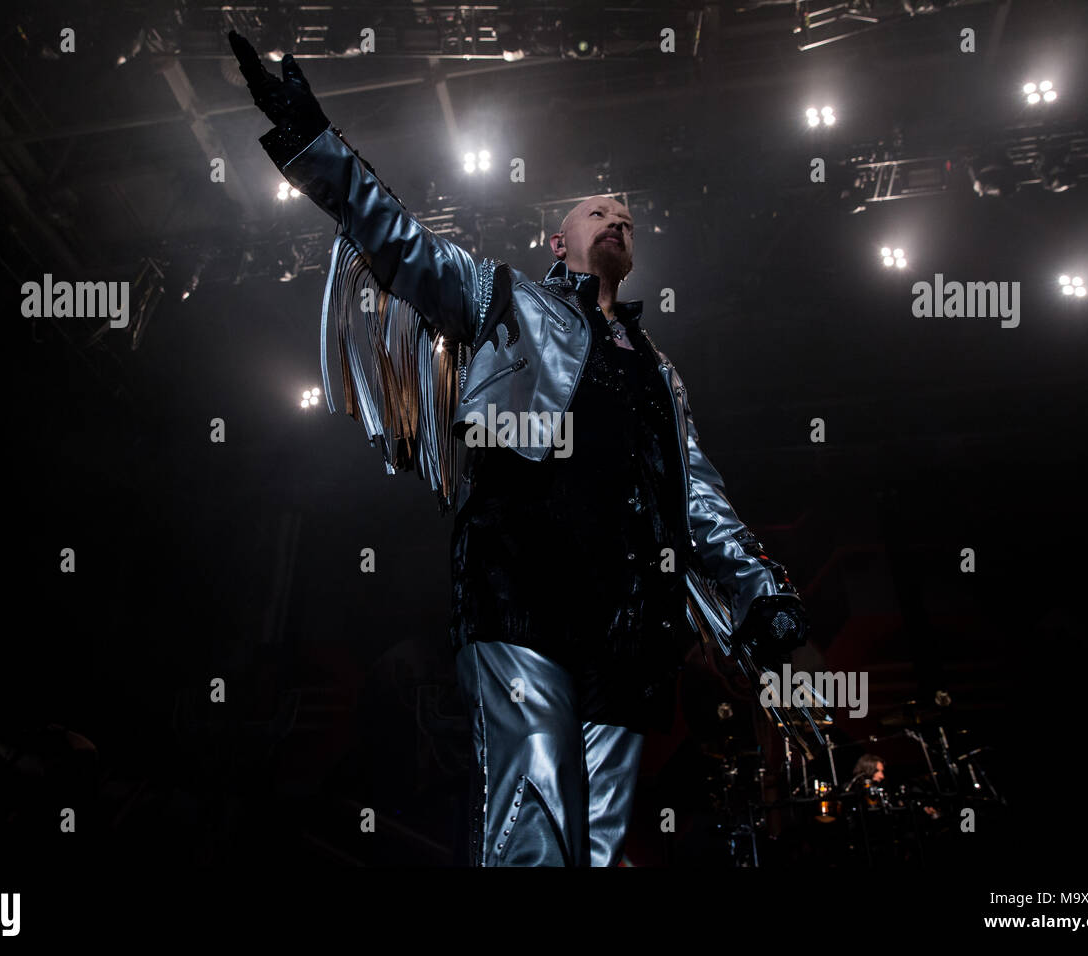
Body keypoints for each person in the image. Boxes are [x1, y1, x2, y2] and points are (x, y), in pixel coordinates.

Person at [229, 32, 810, 866]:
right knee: (535, 811)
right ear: (557, 241)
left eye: (628, 214)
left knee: (601, 844)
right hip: (519, 584)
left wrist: (759, 591)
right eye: (596, 209)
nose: (617, 216)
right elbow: (398, 241)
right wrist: (312, 140)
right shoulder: (505, 300)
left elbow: (700, 494)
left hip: (631, 617)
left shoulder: (659, 373)